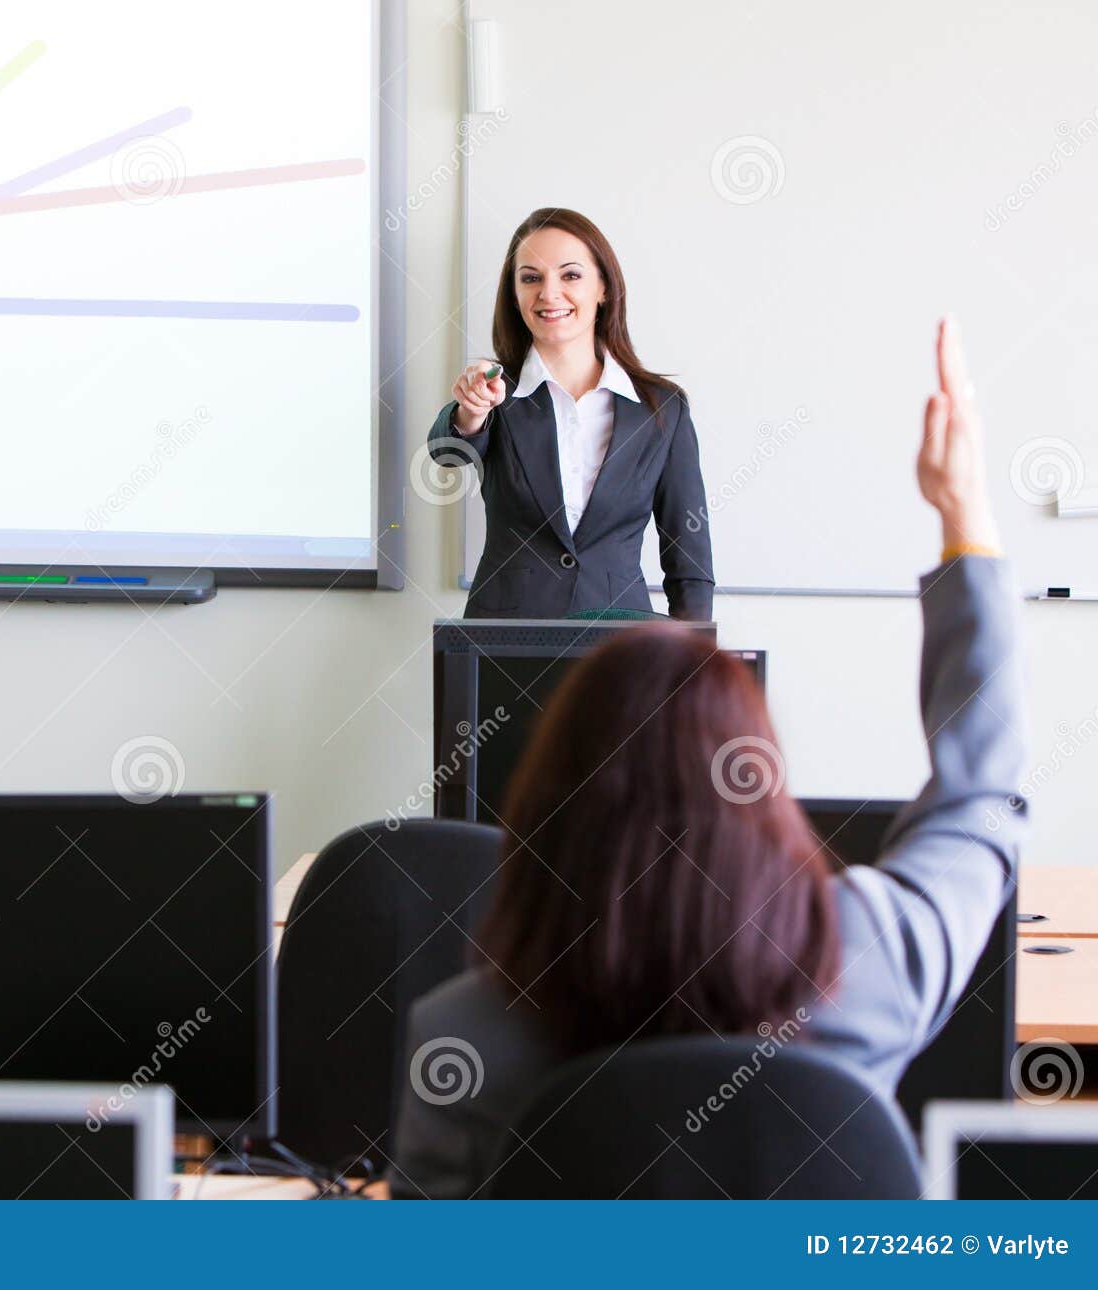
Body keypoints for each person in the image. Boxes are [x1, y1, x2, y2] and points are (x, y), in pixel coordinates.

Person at [393, 318, 1023, 1198]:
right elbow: (980, 803)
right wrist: (966, 521)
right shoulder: (869, 962)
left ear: (547, 797)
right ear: (755, 784)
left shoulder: (467, 1037)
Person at [430, 208, 713, 620]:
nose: (549, 293)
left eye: (570, 275)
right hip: (505, 639)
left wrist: (693, 653)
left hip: (619, 642)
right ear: (514, 295)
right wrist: (470, 413)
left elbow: (689, 558)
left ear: (604, 288)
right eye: (531, 278)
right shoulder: (495, 393)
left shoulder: (662, 408)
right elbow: (446, 452)